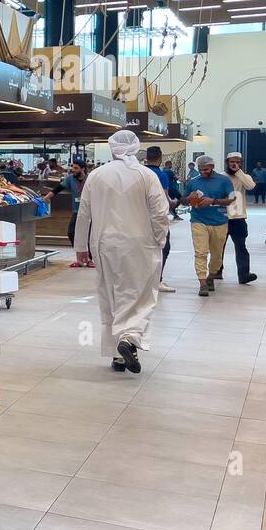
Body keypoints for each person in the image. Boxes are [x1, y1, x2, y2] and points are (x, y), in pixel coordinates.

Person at [75, 131, 171, 374]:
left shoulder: (96, 175)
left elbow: (83, 214)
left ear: (111, 149)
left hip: (103, 244)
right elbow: (160, 213)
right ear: (137, 148)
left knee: (111, 296)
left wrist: (80, 248)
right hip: (140, 243)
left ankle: (118, 356)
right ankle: (129, 338)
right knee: (140, 296)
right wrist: (159, 240)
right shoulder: (146, 175)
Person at [185, 155, 236, 296]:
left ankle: (211, 277)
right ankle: (202, 283)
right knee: (200, 252)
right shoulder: (193, 182)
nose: (203, 172)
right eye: (200, 170)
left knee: (217, 255)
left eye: (206, 169)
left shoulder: (224, 180)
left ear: (212, 167)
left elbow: (232, 199)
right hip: (198, 220)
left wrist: (212, 201)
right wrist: (188, 199)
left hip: (219, 222)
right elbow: (183, 200)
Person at [44, 158, 91, 266]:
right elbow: (57, 189)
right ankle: (79, 258)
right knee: (71, 233)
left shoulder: (90, 179)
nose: (73, 169)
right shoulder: (70, 179)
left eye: (76, 168)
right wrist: (45, 198)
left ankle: (89, 259)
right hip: (76, 211)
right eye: (72, 167)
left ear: (83, 169)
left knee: (88, 235)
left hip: (89, 211)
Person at [219, 152, 257, 286]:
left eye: (238, 162)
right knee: (218, 246)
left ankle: (244, 275)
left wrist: (239, 172)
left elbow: (251, 186)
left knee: (241, 246)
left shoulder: (244, 176)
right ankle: (217, 271)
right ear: (227, 163)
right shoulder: (221, 177)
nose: (235, 164)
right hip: (222, 216)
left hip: (238, 217)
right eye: (232, 162)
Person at [144, 145, 178, 292]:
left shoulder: (141, 172)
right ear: (160, 157)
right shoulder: (161, 174)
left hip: (139, 216)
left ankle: (143, 279)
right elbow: (163, 196)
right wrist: (173, 203)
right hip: (156, 217)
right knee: (164, 247)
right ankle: (157, 280)